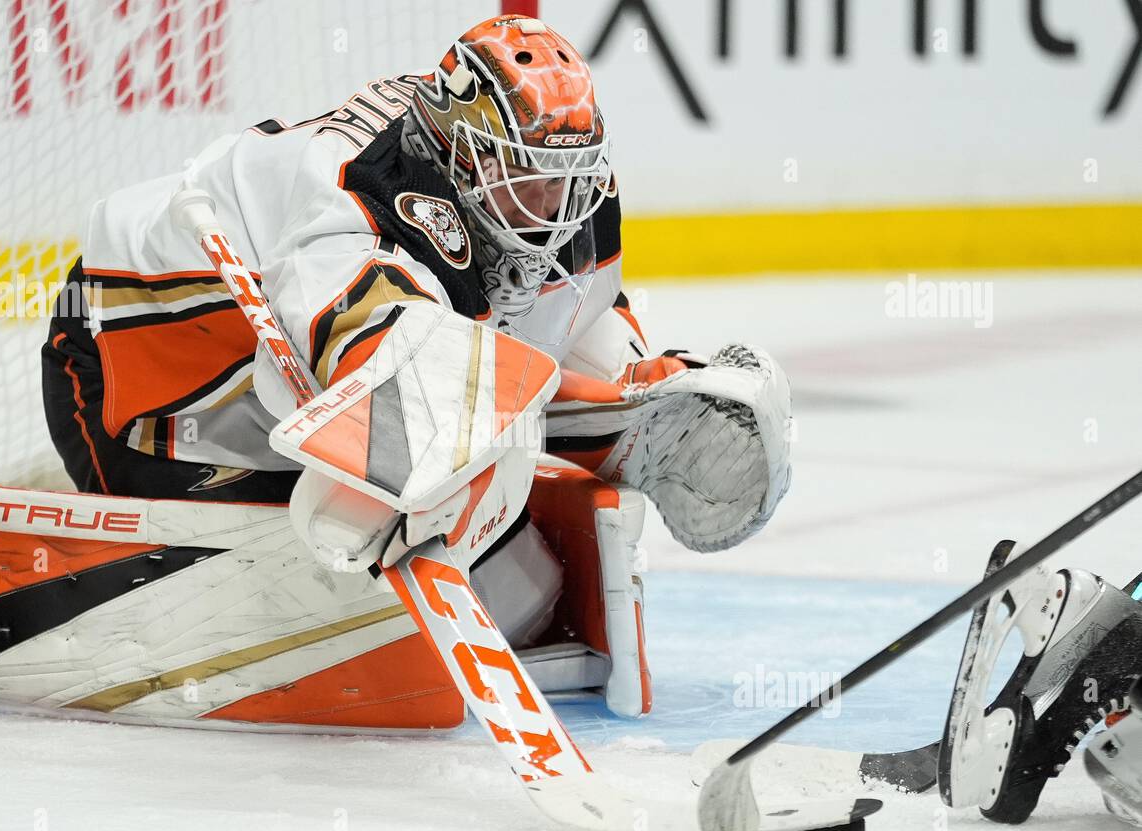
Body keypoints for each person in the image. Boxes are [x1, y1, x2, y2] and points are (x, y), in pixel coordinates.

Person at [41, 13, 792, 717]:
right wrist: (428, 455)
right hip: (148, 364)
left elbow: (570, 319)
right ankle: (584, 430)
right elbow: (384, 365)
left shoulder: (561, 188)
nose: (553, 207)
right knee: (359, 547)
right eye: (529, 182)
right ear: (462, 155)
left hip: (308, 362)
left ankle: (615, 424)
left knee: (530, 594)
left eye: (566, 180)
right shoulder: (359, 197)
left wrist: (640, 384)